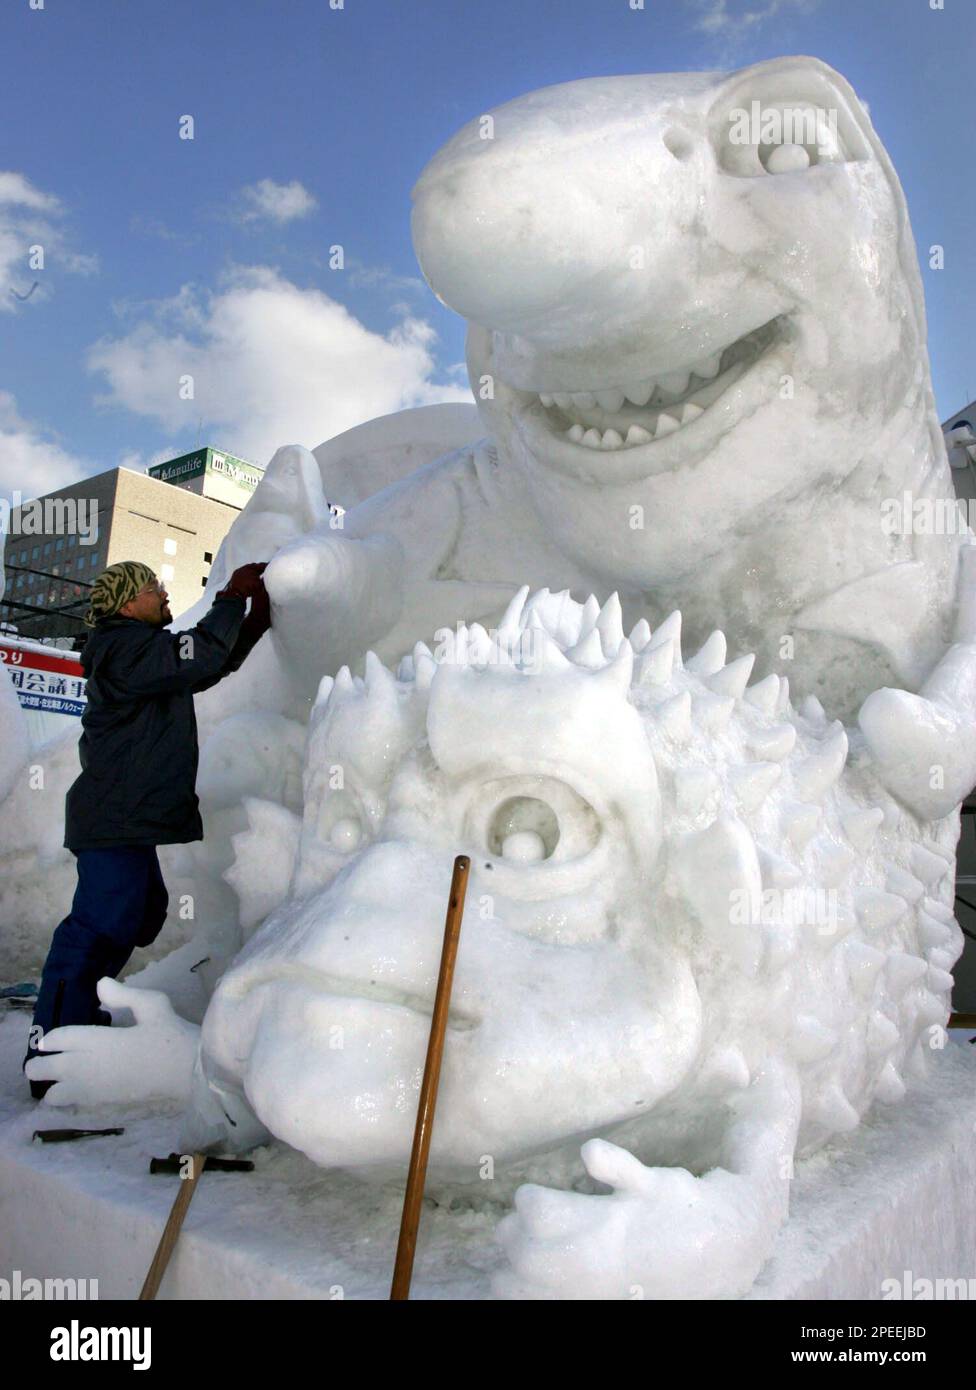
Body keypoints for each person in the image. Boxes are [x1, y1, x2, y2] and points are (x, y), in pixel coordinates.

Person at [24, 558, 271, 1099]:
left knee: (140, 914)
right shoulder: (122, 646)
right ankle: (51, 1044)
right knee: (98, 924)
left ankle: (78, 1017)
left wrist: (251, 625)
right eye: (153, 587)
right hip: (112, 818)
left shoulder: (141, 655)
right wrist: (231, 595)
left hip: (124, 821)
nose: (163, 592)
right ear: (126, 602)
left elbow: (206, 664)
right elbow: (194, 655)